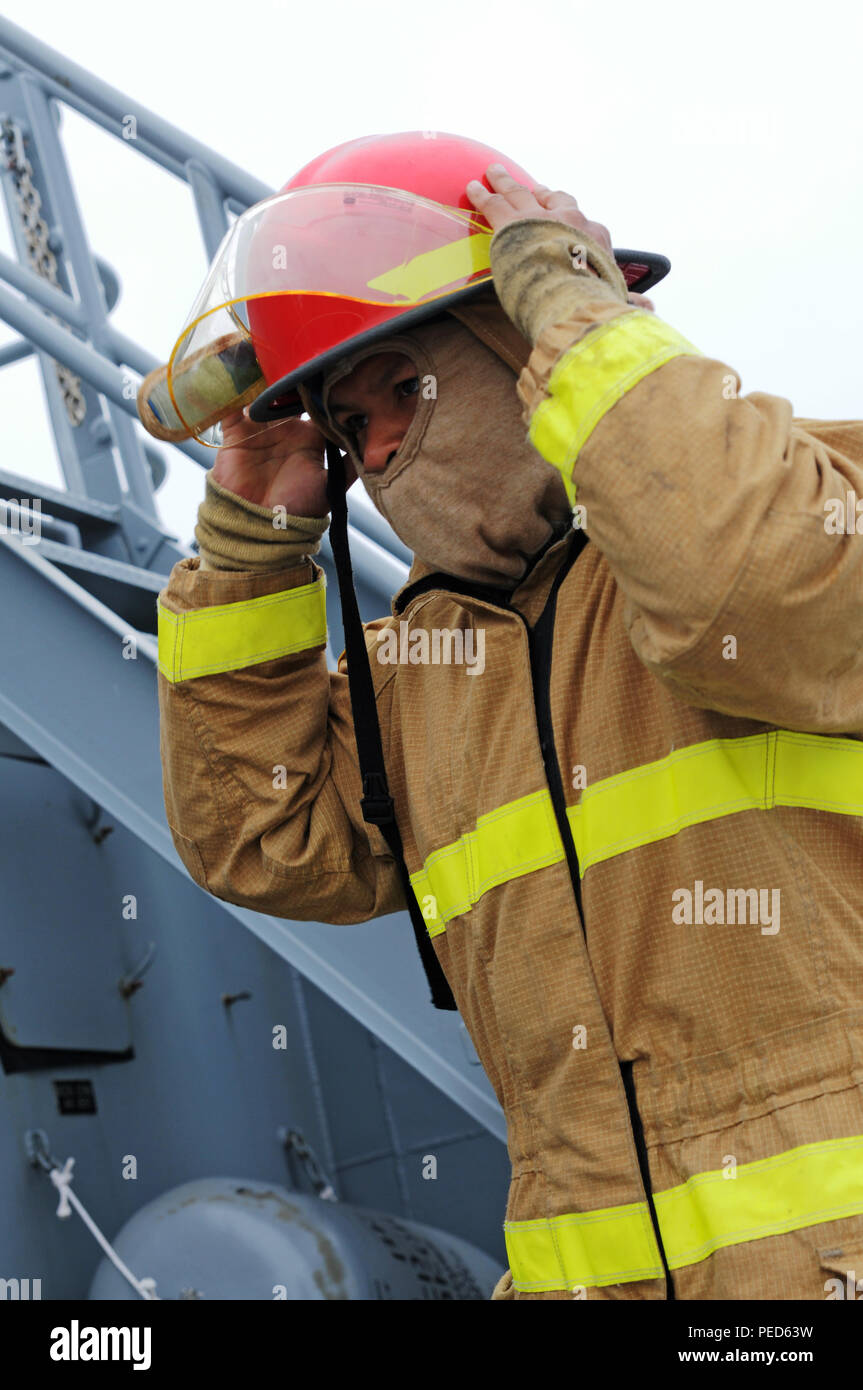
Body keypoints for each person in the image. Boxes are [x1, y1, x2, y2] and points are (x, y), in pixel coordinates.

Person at [156, 150, 863, 1301]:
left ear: (507, 340)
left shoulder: (812, 507)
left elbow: (750, 590)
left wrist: (588, 325)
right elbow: (260, 836)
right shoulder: (426, 675)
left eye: (401, 390)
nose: (376, 450)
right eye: (348, 424)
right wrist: (248, 545)